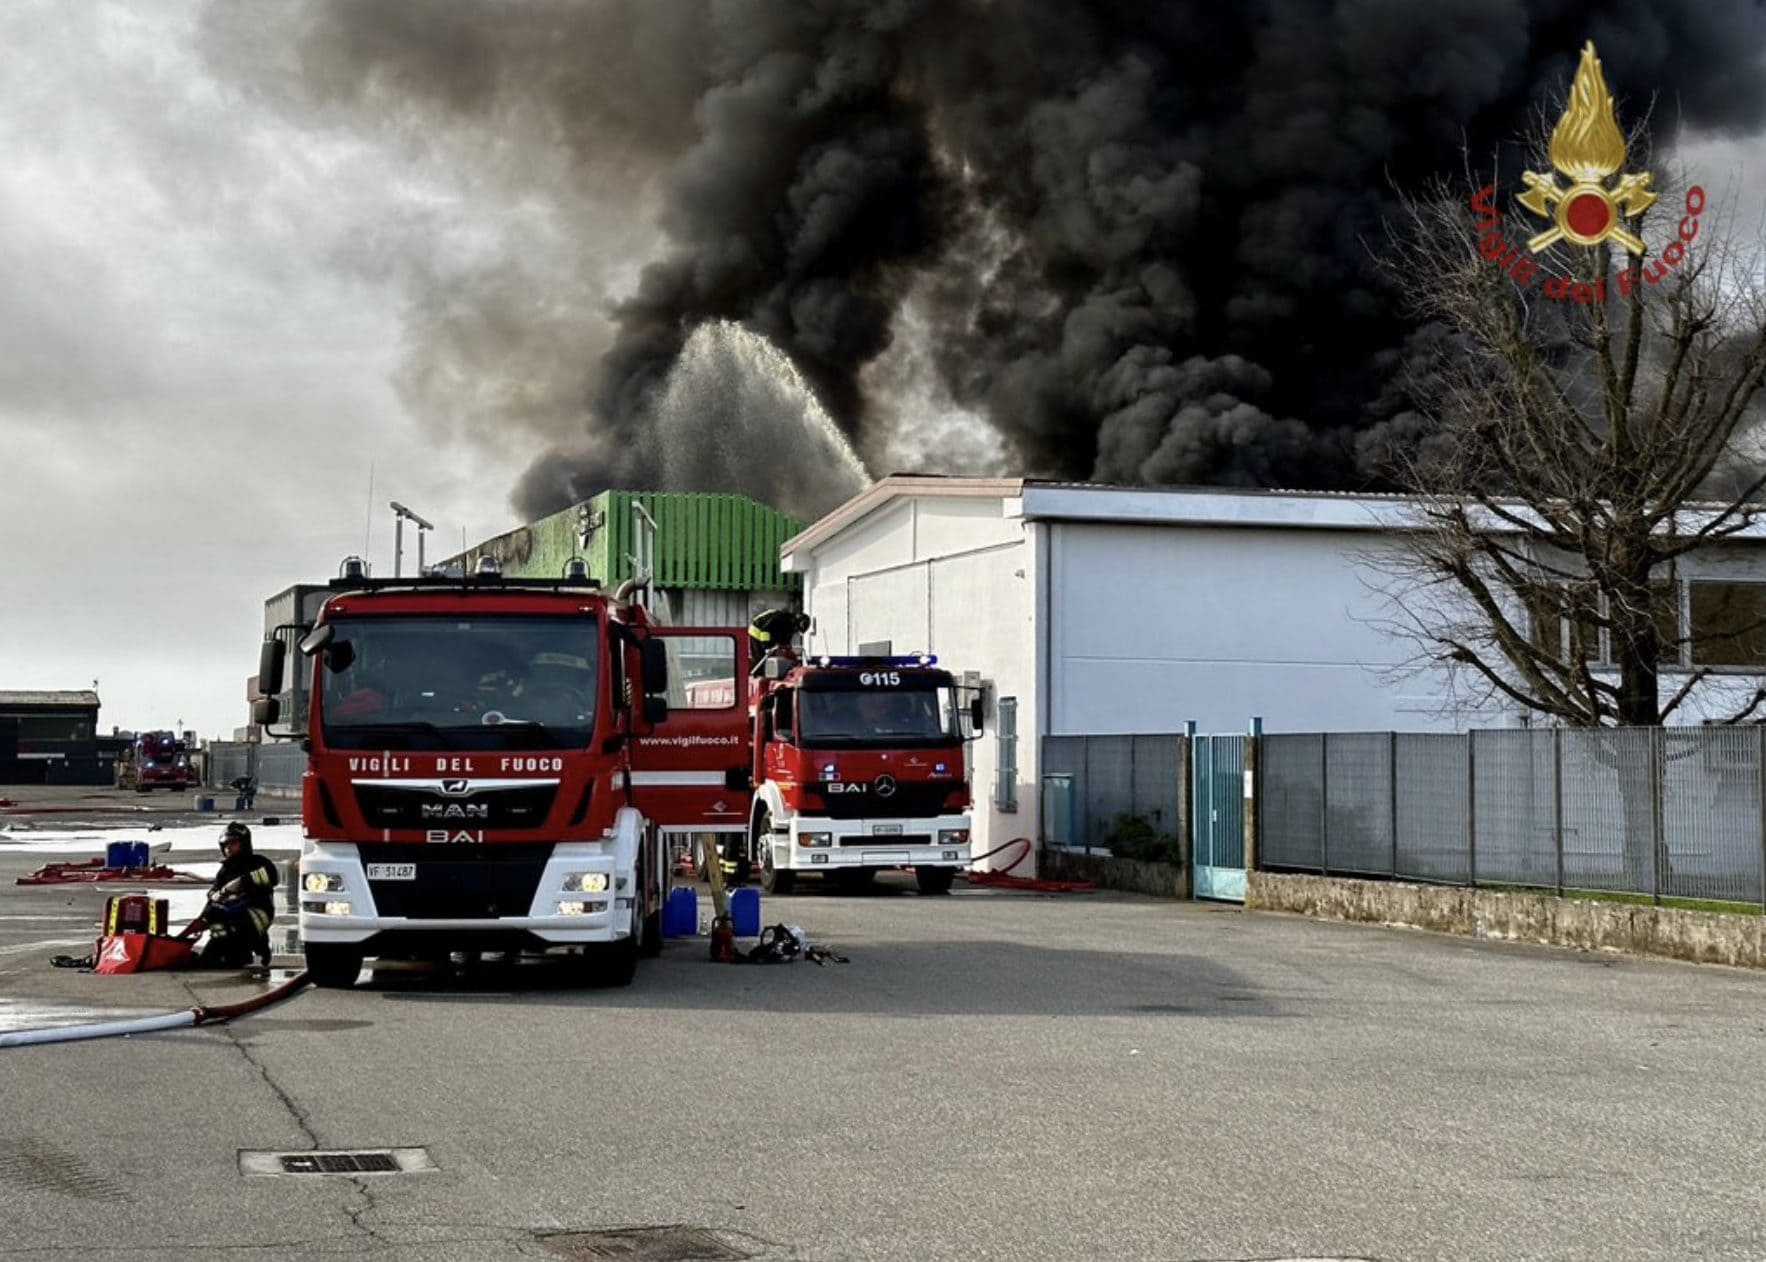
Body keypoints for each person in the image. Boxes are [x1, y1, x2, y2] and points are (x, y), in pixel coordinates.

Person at [200, 822, 279, 969]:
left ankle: (255, 944)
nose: (228, 848)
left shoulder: (259, 863)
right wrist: (204, 915)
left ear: (244, 843)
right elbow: (213, 894)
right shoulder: (225, 870)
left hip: (257, 914)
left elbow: (273, 877)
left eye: (233, 843)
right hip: (232, 915)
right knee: (206, 961)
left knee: (239, 918)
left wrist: (241, 882)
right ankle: (223, 946)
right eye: (225, 845)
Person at [748, 608, 810, 676]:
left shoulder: (790, 627)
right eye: (796, 628)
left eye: (797, 630)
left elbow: (785, 642)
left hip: (770, 634)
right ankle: (756, 675)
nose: (795, 630)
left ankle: (769, 673)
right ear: (794, 621)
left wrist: (790, 654)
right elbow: (765, 630)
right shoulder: (779, 618)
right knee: (760, 657)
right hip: (757, 631)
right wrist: (765, 646)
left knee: (773, 656)